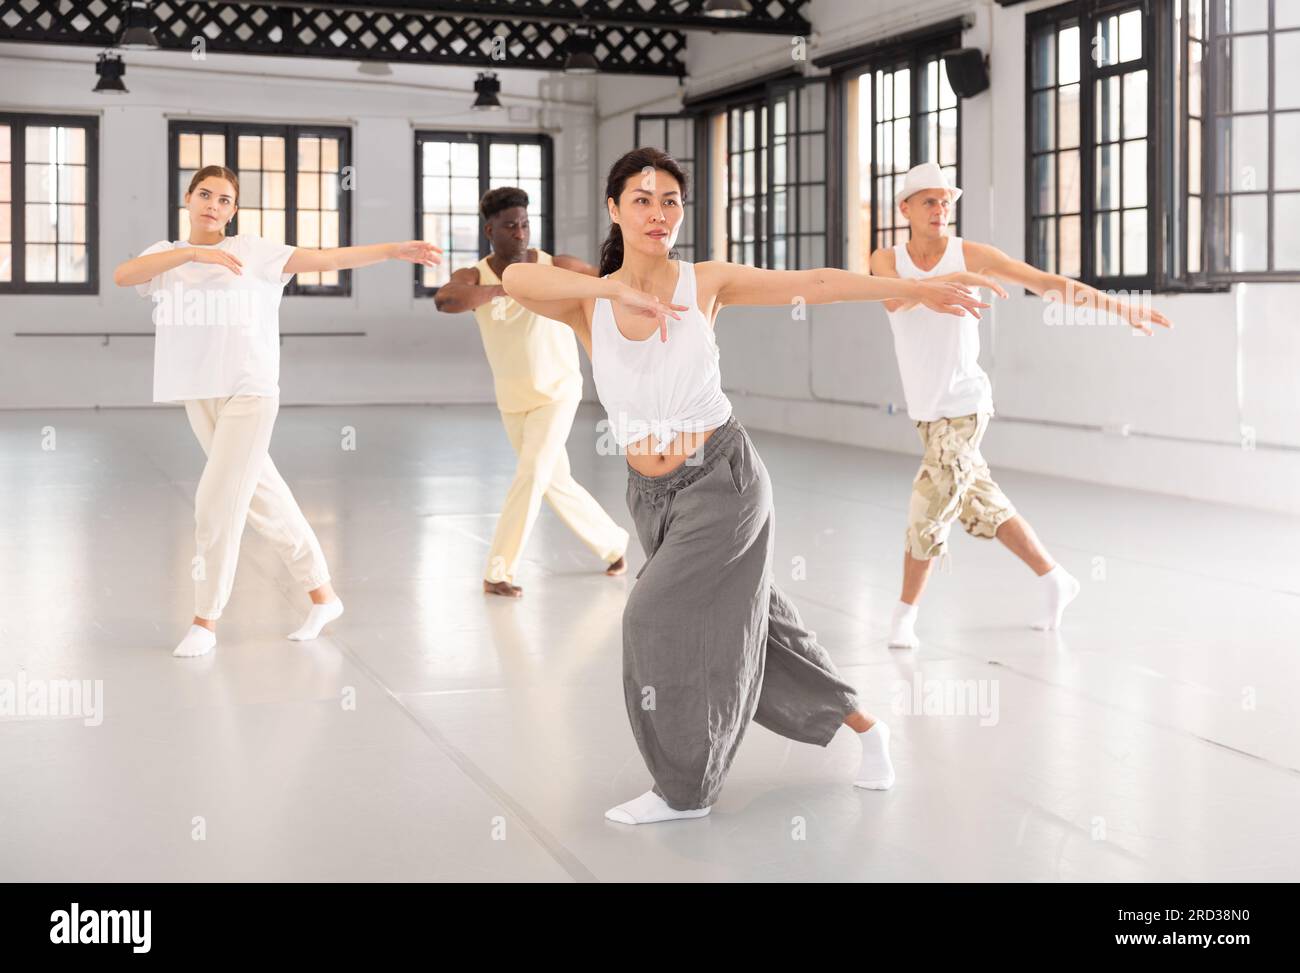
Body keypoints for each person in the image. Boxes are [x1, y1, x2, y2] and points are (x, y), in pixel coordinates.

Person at [502, 147, 1004, 824]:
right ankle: (866, 729)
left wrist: (913, 289)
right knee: (759, 631)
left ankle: (684, 789)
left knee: (651, 615)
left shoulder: (702, 283)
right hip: (650, 498)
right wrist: (611, 288)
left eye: (672, 200)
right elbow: (516, 284)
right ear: (615, 208)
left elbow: (816, 283)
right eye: (643, 200)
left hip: (723, 483)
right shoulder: (585, 305)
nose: (658, 213)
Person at [113, 165, 441, 658]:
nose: (214, 205)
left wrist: (391, 251)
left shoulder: (253, 250)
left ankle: (206, 619)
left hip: (250, 391)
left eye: (225, 200)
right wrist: (198, 252)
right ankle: (323, 595)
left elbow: (325, 257)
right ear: (187, 197)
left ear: (234, 210)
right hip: (199, 393)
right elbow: (123, 276)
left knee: (216, 502)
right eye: (205, 194)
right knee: (265, 497)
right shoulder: (164, 256)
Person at [870, 161, 1173, 649]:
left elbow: (1045, 281)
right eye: (929, 200)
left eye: (947, 200)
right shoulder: (886, 260)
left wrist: (1121, 307)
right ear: (905, 208)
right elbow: (894, 300)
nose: (940, 208)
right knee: (982, 503)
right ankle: (1055, 578)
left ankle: (904, 616)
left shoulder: (972, 253)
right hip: (926, 411)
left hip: (964, 405)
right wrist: (959, 278)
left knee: (929, 506)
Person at [433, 187, 629, 597]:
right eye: (510, 226)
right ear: (491, 230)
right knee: (555, 480)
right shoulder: (476, 276)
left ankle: (498, 571)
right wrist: (506, 288)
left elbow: (605, 278)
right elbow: (446, 300)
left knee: (531, 473)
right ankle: (613, 544)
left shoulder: (552, 264)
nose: (520, 233)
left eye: (524, 224)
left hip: (558, 392)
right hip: (513, 400)